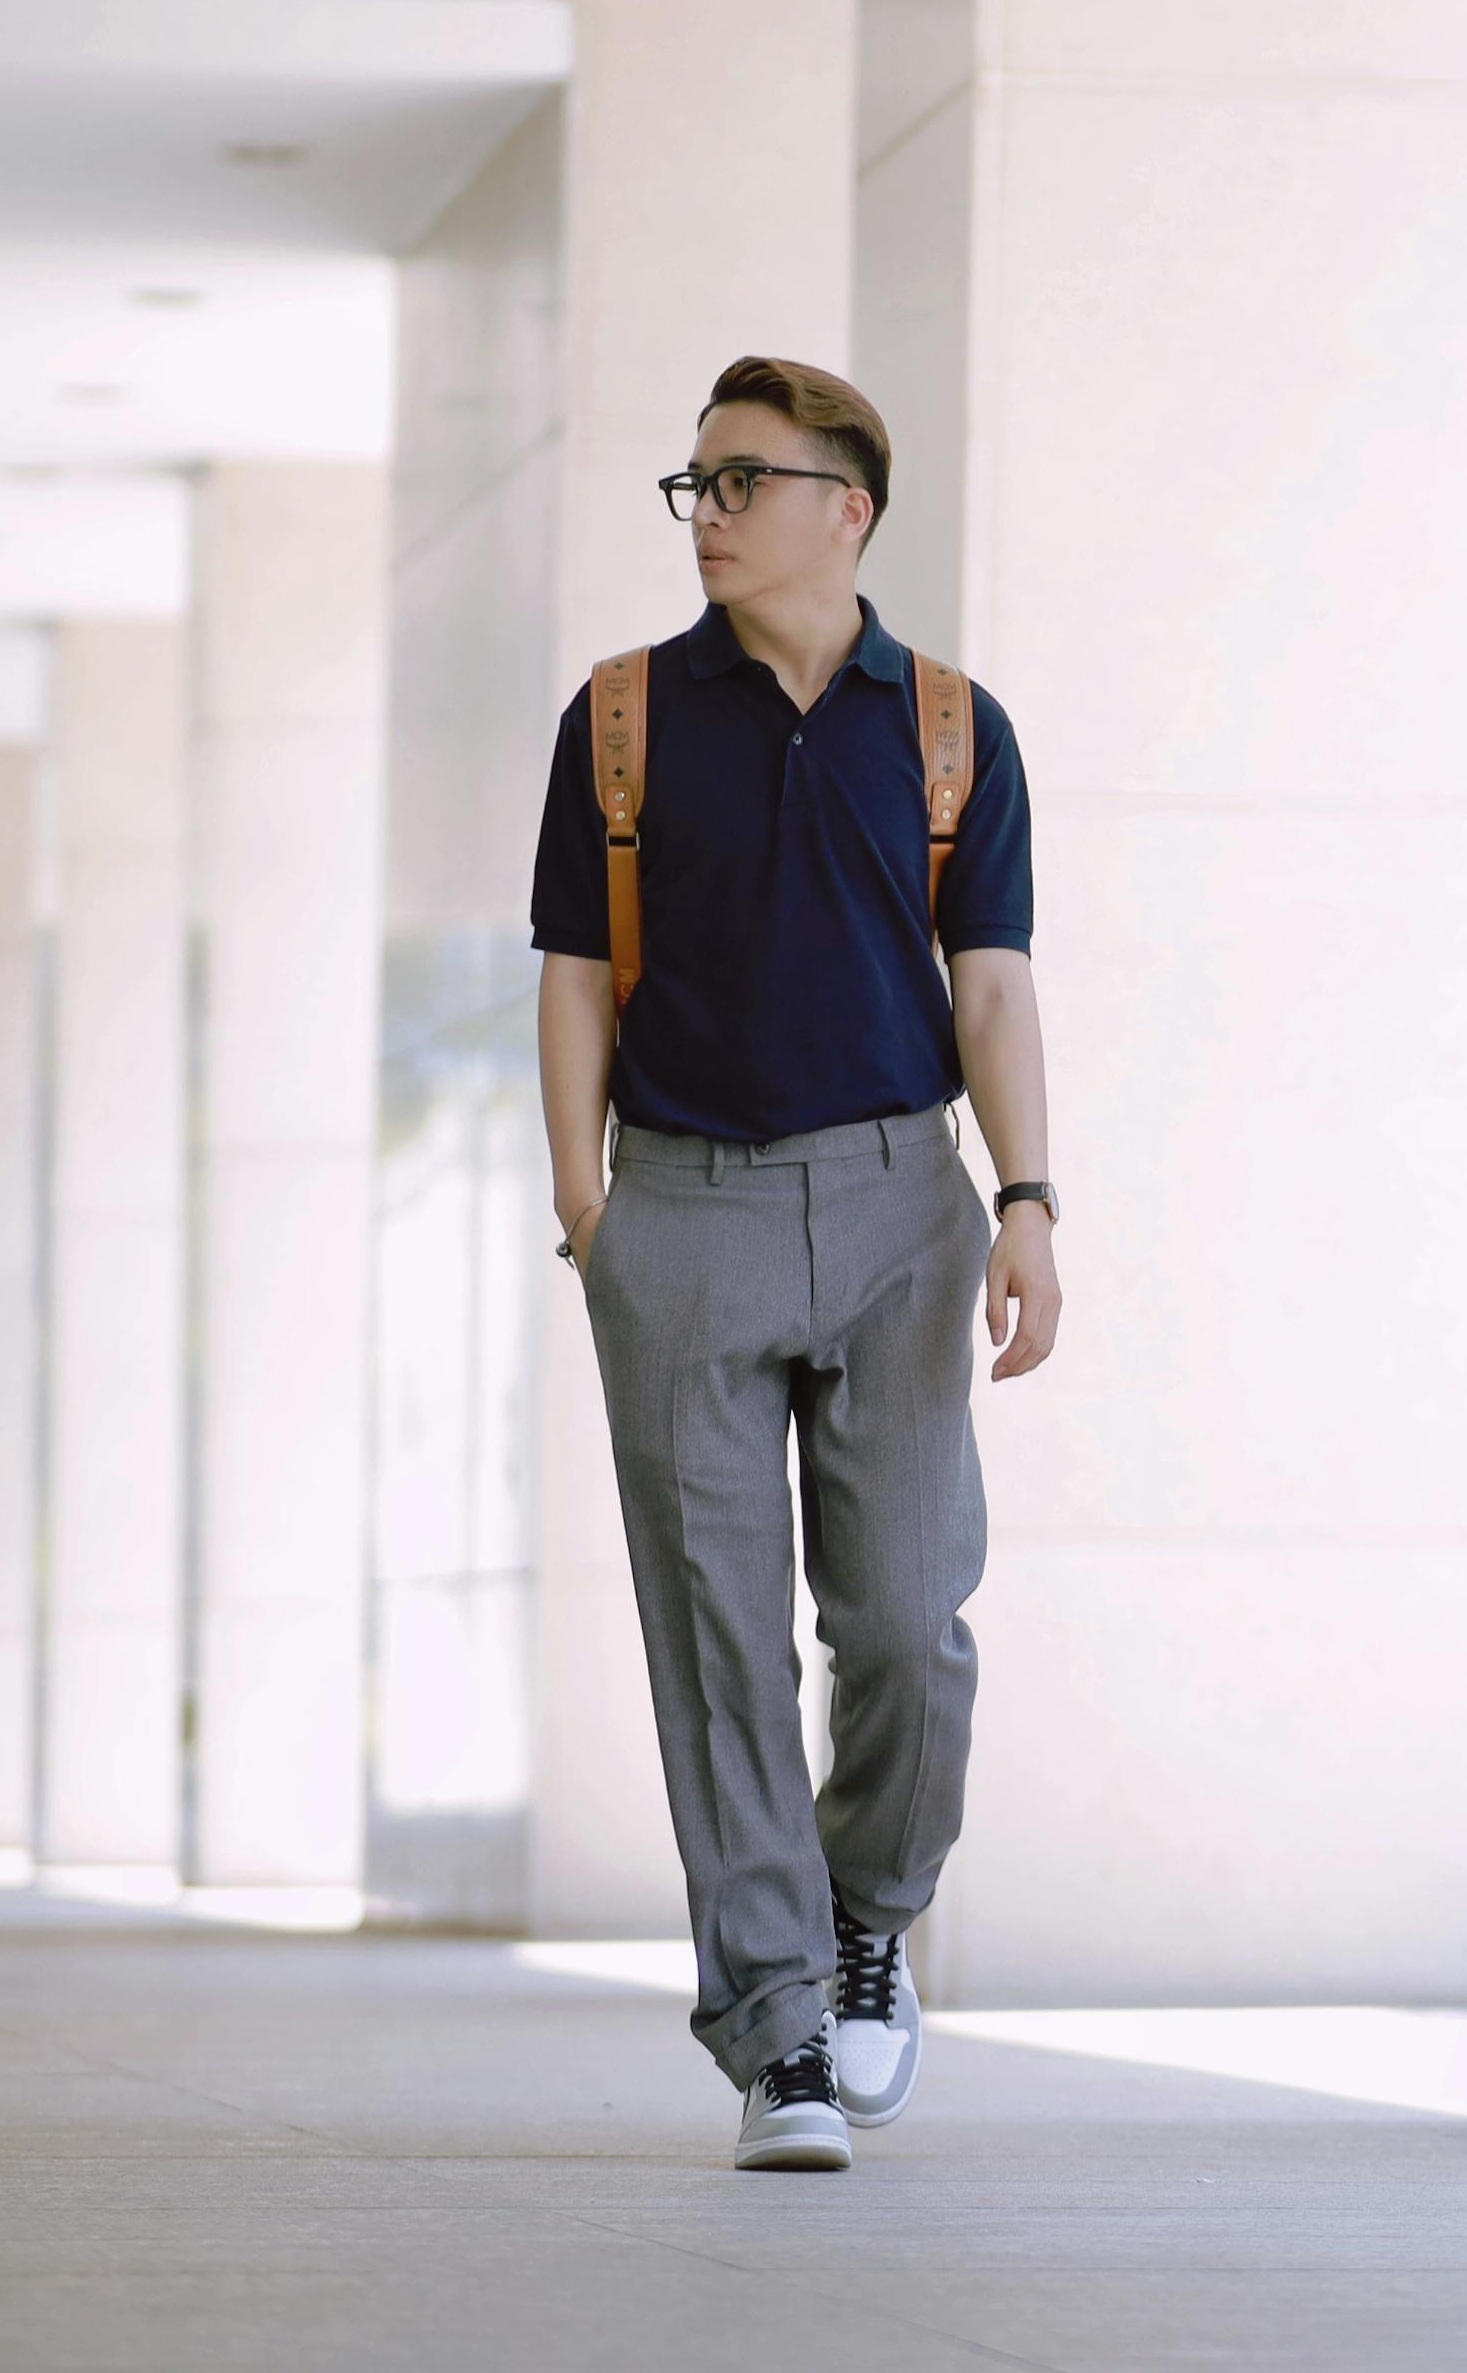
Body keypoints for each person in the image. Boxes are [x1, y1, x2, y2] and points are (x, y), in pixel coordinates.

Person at [529, 354, 1062, 2173]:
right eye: (692, 486)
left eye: (740, 482)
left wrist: (1029, 1200)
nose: (709, 516)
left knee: (907, 1621)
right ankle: (778, 2043)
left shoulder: (952, 728)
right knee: (718, 1648)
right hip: (677, 1213)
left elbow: (988, 979)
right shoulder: (617, 717)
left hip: (904, 1208)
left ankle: (868, 1916)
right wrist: (587, 1210)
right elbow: (575, 976)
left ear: (850, 505)